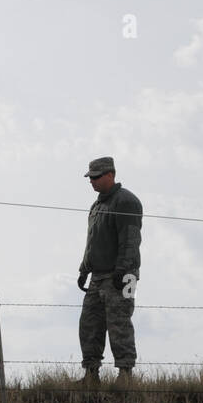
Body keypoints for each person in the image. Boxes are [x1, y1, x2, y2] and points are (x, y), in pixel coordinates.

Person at [76, 156, 143, 386]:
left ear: (110, 175)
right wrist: (84, 269)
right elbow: (92, 242)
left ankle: (125, 375)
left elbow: (131, 242)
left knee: (120, 323)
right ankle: (90, 375)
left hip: (123, 277)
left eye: (95, 177)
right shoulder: (97, 205)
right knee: (89, 325)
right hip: (97, 277)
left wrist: (123, 271)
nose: (91, 181)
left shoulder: (126, 202)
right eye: (90, 178)